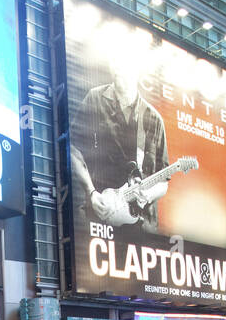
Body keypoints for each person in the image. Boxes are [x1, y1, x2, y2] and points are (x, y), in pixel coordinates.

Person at [70, 62, 171, 231]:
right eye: (115, 62)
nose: (117, 68)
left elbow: (163, 182)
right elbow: (73, 150)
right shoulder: (94, 99)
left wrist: (148, 195)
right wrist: (92, 193)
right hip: (101, 218)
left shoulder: (154, 119)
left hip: (143, 226)